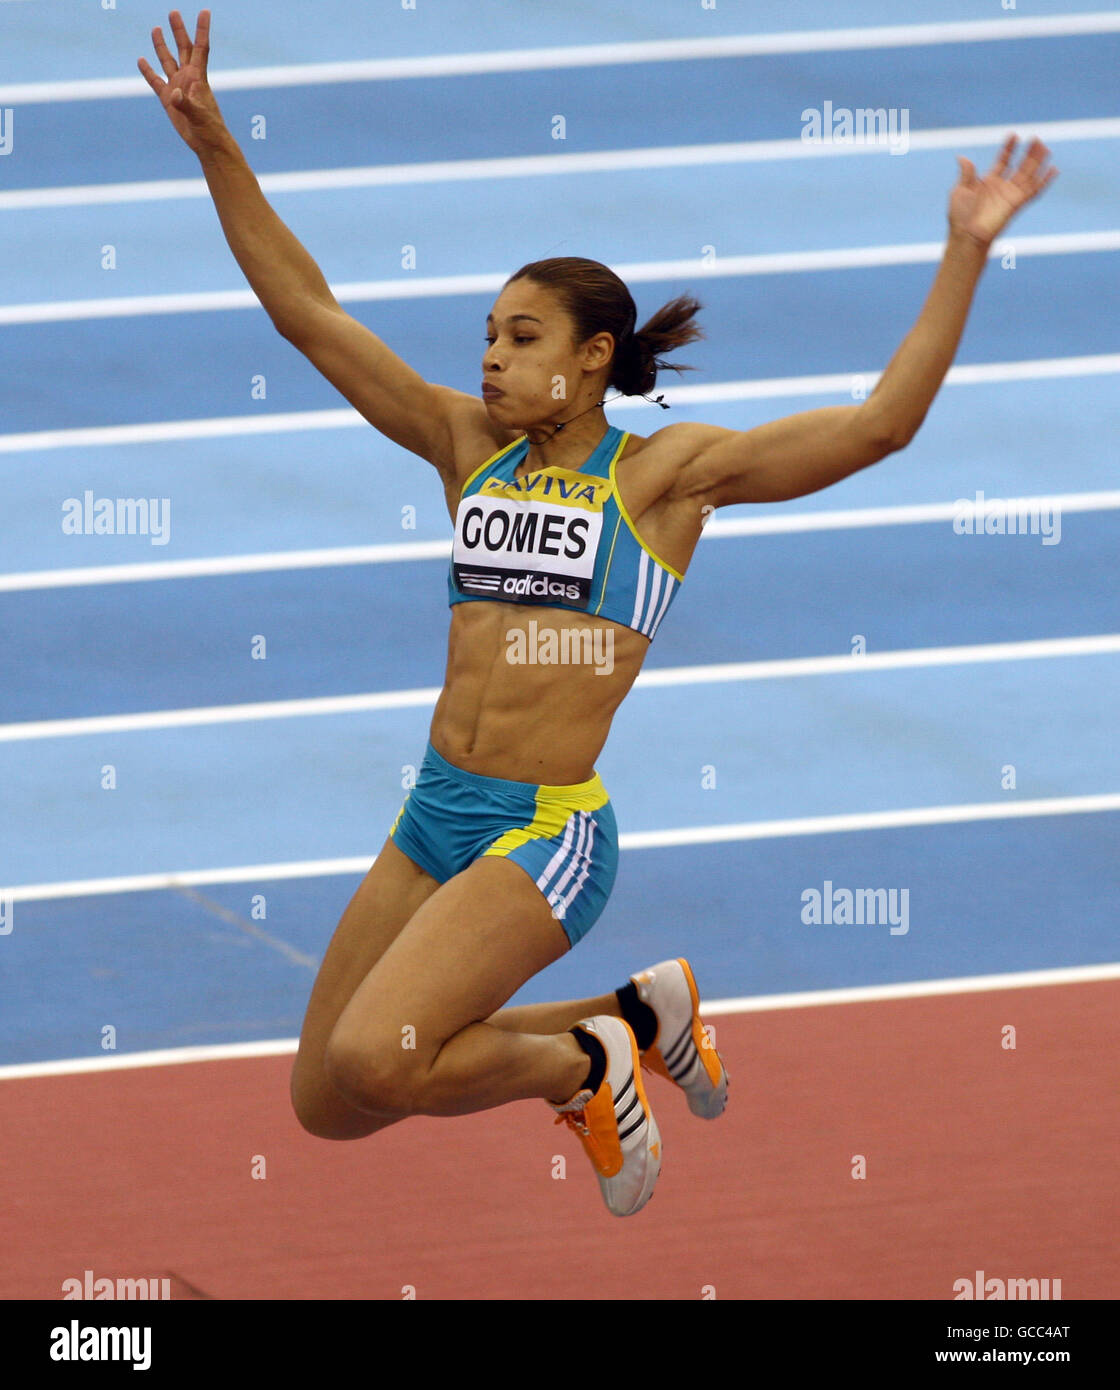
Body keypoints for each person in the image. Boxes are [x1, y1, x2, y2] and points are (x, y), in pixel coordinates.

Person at [140, 10, 1057, 1217]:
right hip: (438, 807)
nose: (491, 360)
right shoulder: (465, 447)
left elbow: (876, 425)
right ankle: (635, 1015)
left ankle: (587, 1067)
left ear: (592, 359)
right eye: (486, 336)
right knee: (327, 1096)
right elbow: (309, 314)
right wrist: (215, 145)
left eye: (522, 340)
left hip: (546, 830)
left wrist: (964, 251)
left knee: (382, 1056)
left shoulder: (662, 478)